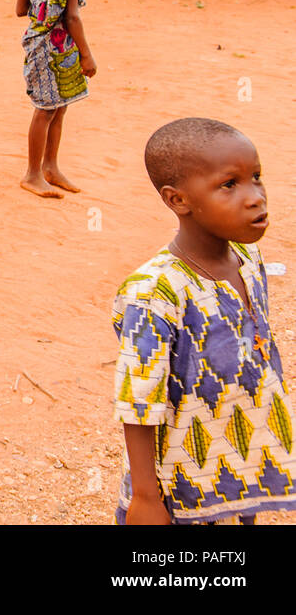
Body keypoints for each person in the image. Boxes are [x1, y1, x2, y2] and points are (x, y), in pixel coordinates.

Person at [113, 118, 295, 525]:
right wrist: (145, 497)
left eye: (257, 178)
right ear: (178, 200)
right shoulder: (156, 291)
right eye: (229, 185)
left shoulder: (247, 261)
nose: (255, 197)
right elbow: (137, 401)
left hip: (235, 480)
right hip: (175, 492)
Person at [15, 0, 96, 199]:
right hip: (58, 44)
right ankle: (32, 174)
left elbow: (20, 9)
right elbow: (71, 16)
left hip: (39, 43)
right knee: (46, 110)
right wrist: (87, 54)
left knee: (58, 105)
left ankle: (50, 167)